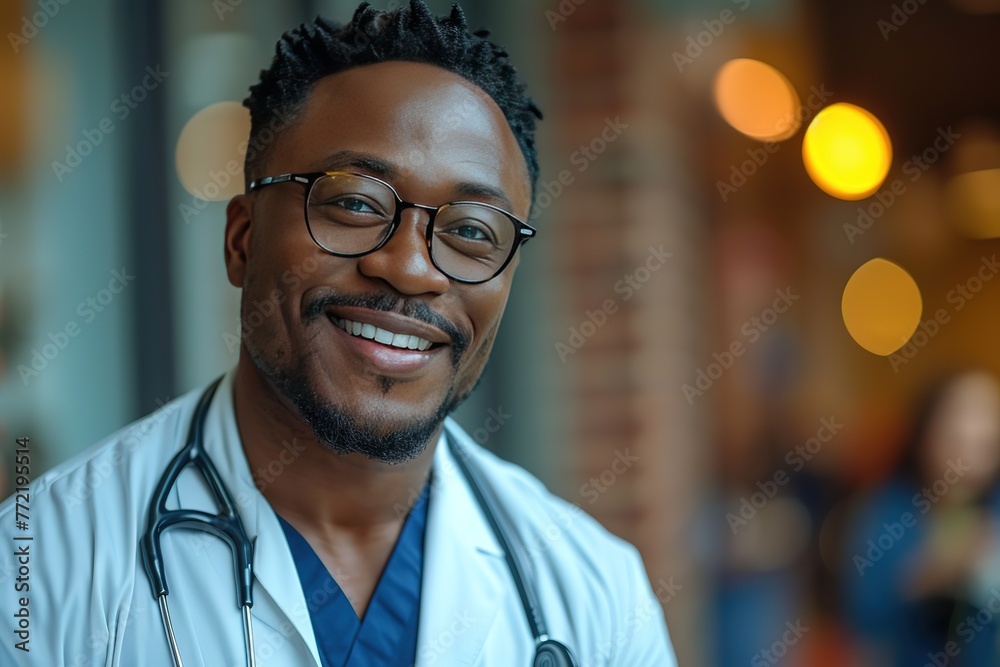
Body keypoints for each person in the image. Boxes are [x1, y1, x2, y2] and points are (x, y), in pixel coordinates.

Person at [0, 2, 676, 665]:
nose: (410, 267)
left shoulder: (598, 598)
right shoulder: (39, 571)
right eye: (354, 202)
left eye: (471, 231)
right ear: (241, 240)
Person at [840, 369, 1000, 666]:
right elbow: (862, 614)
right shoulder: (889, 511)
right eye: (956, 440)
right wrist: (926, 574)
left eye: (985, 444)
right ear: (926, 434)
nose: (969, 460)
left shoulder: (994, 508)